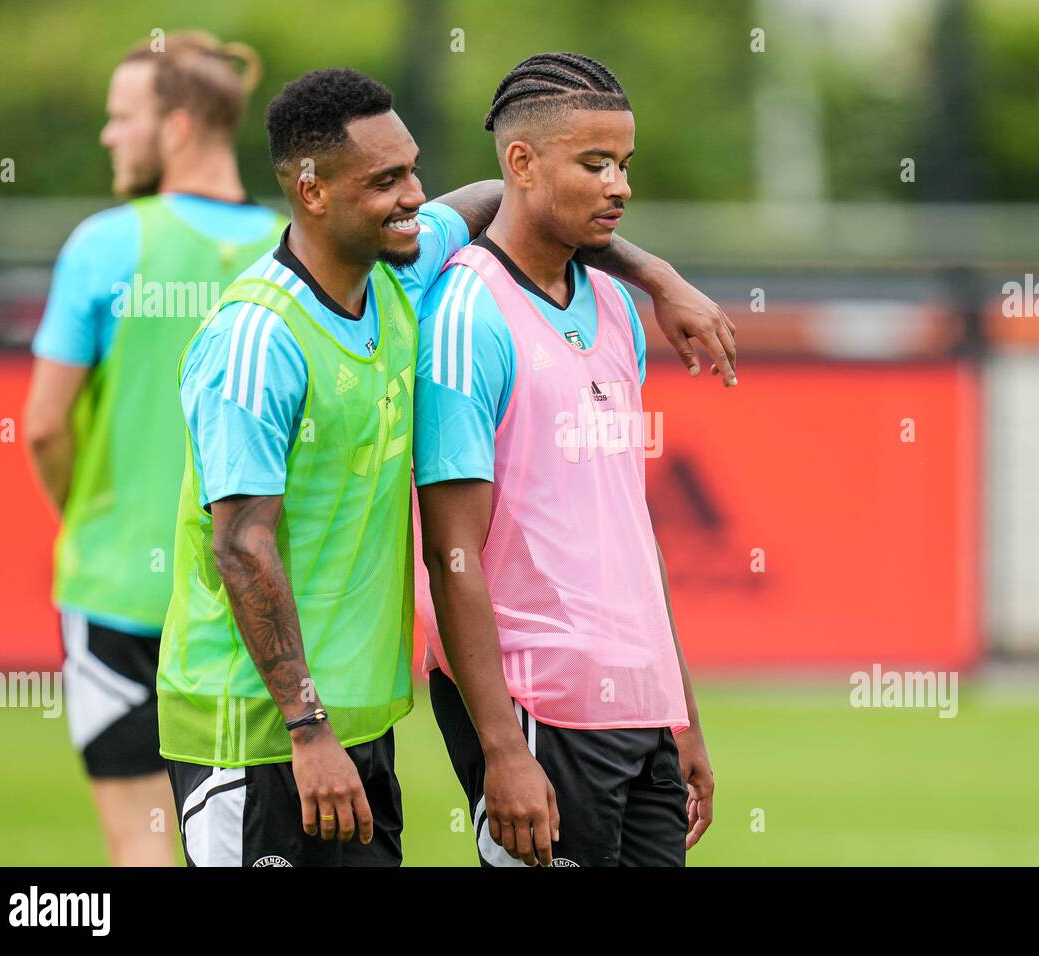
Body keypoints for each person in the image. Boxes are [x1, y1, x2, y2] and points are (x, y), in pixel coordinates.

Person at [159, 66, 731, 867]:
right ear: (314, 192)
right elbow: (241, 546)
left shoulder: (400, 277)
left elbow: (504, 194)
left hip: (363, 729)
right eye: (386, 180)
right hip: (256, 738)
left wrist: (656, 276)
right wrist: (307, 729)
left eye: (412, 169)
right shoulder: (255, 339)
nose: (413, 196)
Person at [415, 52, 714, 868]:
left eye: (624, 164)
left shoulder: (616, 304)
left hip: (642, 715)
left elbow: (628, 526)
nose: (619, 185)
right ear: (521, 162)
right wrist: (504, 750)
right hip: (540, 707)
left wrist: (677, 710)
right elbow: (452, 555)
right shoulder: (465, 311)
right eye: (594, 164)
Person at [23, 32, 285, 866]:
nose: (108, 135)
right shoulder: (296, 250)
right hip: (249, 601)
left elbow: (41, 426)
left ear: (175, 128)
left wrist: (91, 518)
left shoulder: (103, 244)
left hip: (118, 593)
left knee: (143, 849)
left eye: (120, 118)